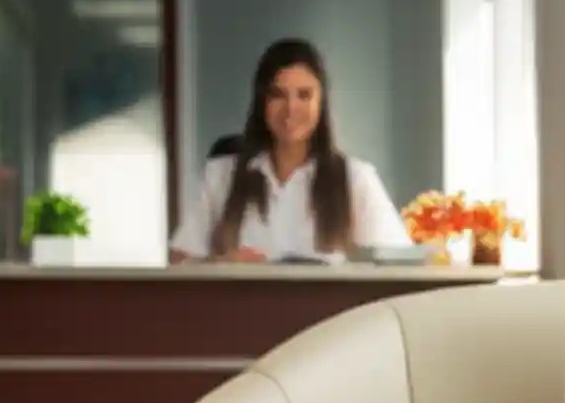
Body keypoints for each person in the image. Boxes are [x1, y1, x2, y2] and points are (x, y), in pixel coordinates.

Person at [169, 38, 411, 264]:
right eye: (278, 95)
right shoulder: (222, 175)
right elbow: (180, 261)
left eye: (304, 95)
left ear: (321, 103)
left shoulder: (354, 177)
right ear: (262, 102)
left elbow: (394, 263)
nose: (291, 109)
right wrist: (221, 264)